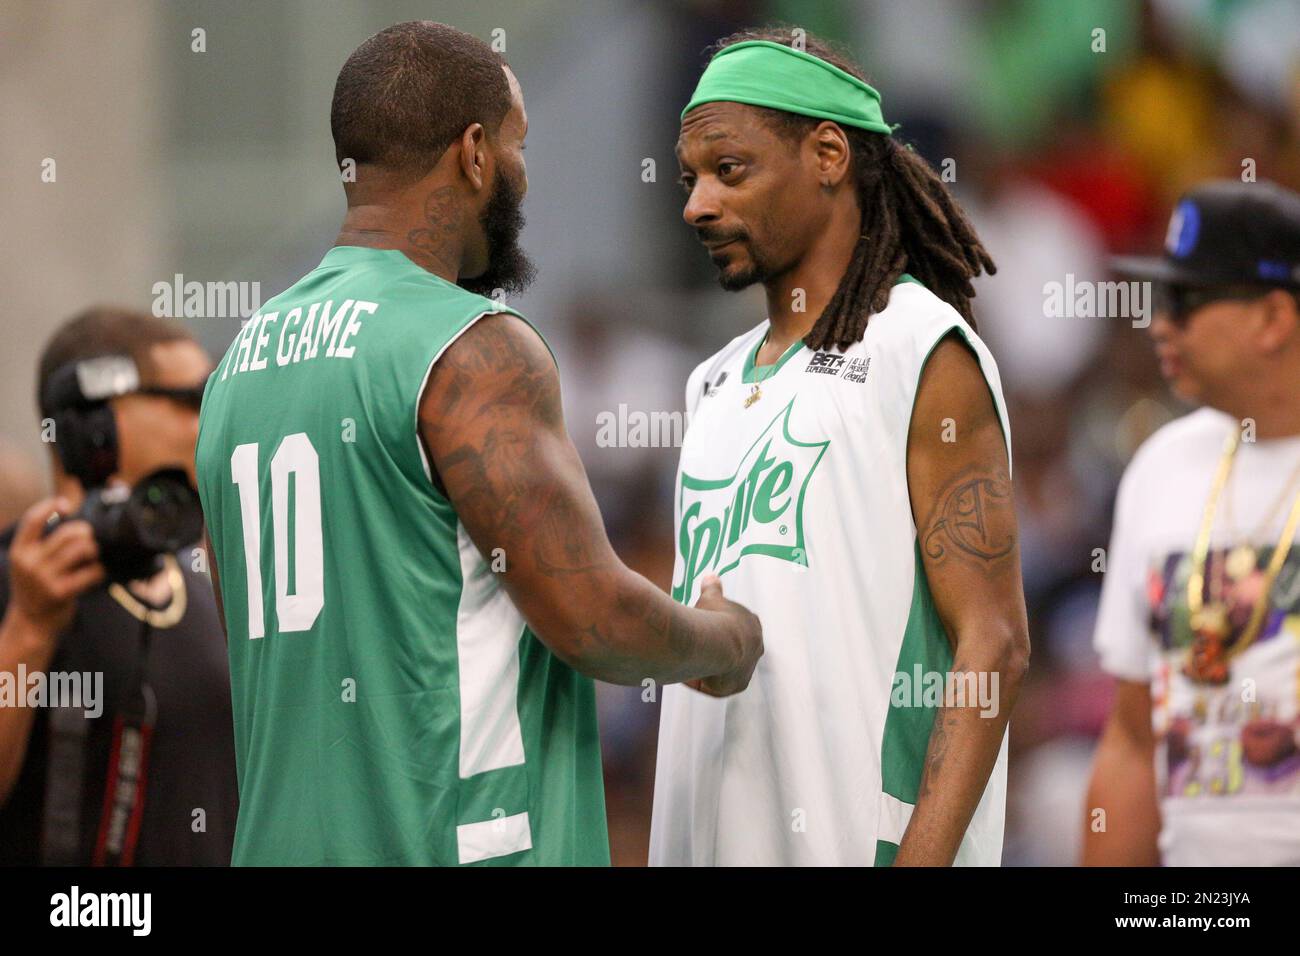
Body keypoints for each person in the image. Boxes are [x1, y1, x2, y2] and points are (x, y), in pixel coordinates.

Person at [194, 20, 762, 867]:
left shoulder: (235, 366)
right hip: (456, 845)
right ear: (472, 153)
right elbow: (592, 616)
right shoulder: (471, 346)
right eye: (516, 144)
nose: (523, 176)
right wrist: (723, 641)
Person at [650, 29, 1030, 866]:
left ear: (827, 153)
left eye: (729, 169)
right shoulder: (707, 383)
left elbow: (993, 638)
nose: (697, 205)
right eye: (689, 180)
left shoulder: (922, 348)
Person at [1085, 179, 1300, 866]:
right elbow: (1131, 737)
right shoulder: (1161, 466)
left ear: (1273, 318)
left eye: (1187, 301)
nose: (1159, 323)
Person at [0, 306, 237, 866]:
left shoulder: (205, 585)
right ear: (93, 425)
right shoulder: (17, 586)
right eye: (190, 400)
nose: (213, 419)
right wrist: (28, 631)